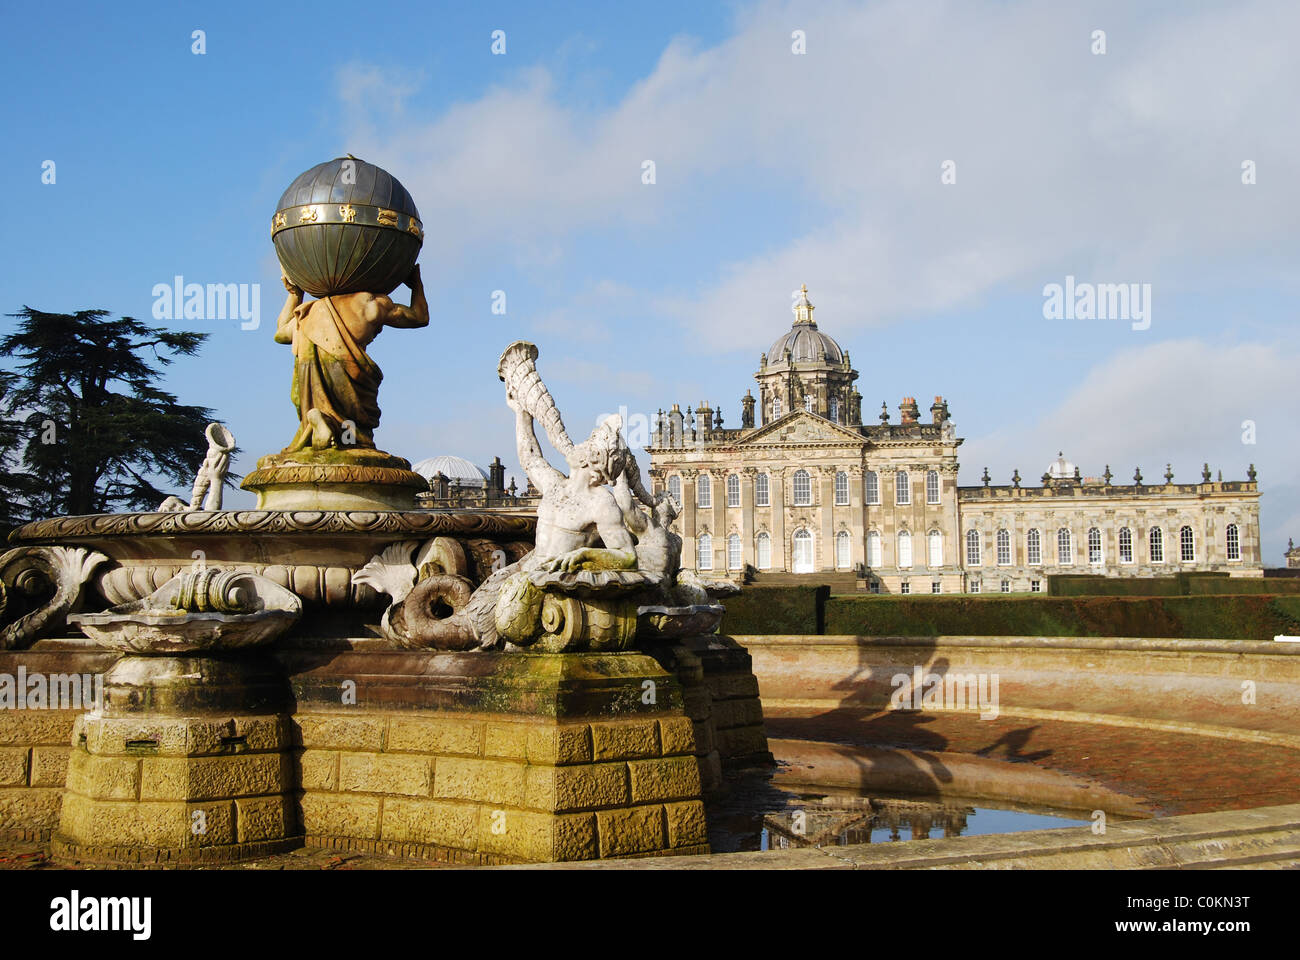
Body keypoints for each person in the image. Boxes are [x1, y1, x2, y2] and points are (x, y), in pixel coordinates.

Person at [273, 265, 428, 452]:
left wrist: (295, 294)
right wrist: (416, 284)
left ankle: (322, 419)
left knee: (338, 422)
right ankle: (341, 435)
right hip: (350, 376)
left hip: (313, 377)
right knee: (354, 434)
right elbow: (420, 317)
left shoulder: (310, 312)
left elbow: (281, 333)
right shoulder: (372, 304)